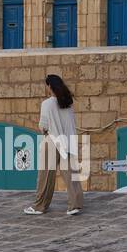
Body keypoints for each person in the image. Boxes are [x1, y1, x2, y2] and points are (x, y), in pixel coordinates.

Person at [25, 73, 84, 216]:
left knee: (45, 176)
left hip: (52, 140)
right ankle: (75, 205)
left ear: (50, 86)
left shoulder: (47, 104)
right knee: (71, 174)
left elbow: (43, 126)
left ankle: (40, 206)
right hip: (68, 140)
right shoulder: (68, 103)